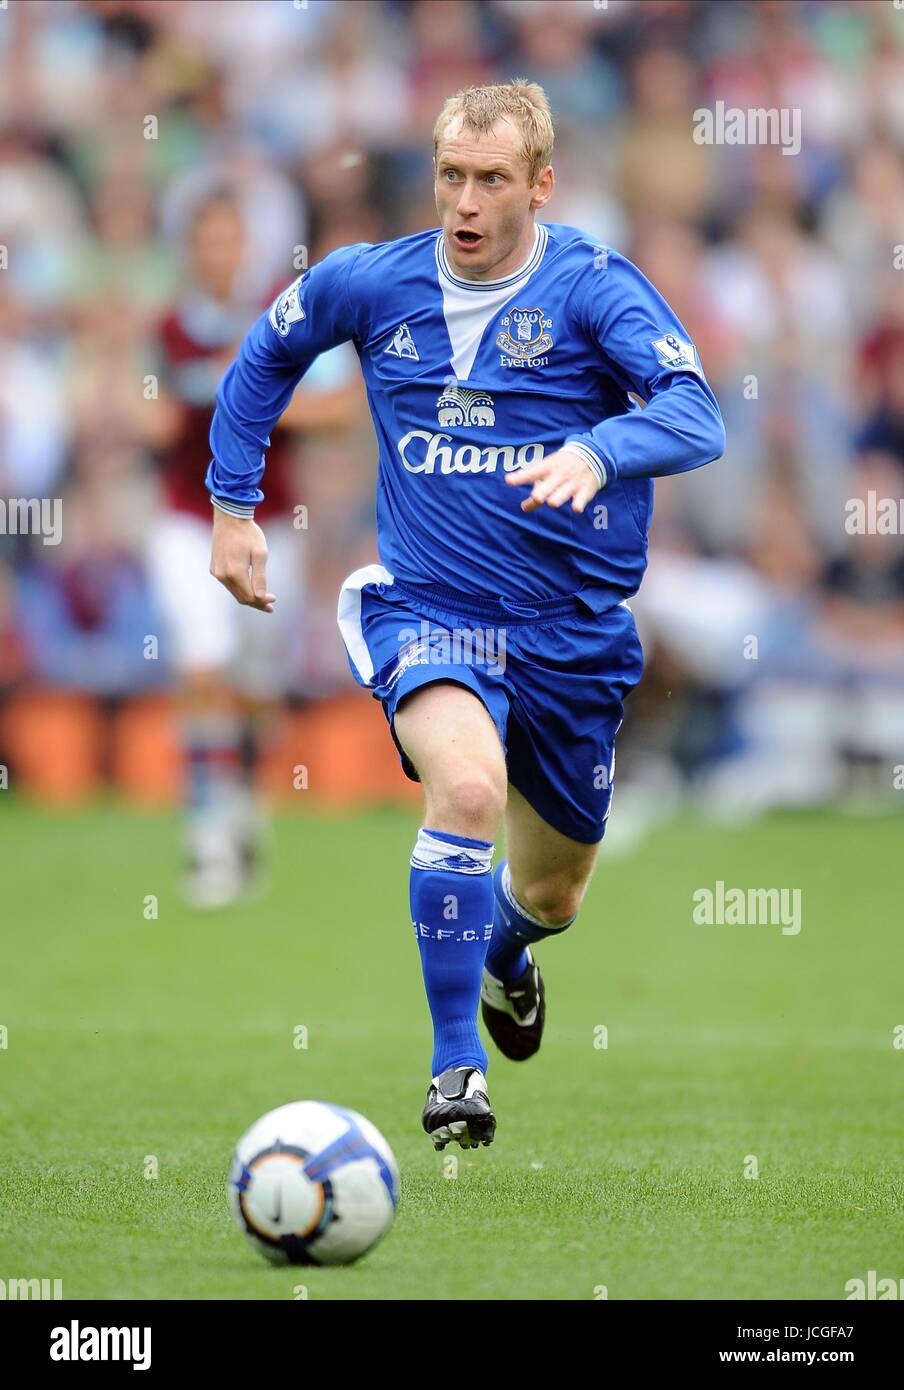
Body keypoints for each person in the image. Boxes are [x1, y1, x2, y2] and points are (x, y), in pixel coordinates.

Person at [205, 82, 725, 1147]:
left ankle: (504, 956)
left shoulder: (592, 289)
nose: (467, 201)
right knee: (469, 785)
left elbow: (695, 412)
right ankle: (455, 1070)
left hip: (573, 632)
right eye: (451, 175)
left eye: (493, 179)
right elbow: (265, 356)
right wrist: (231, 504)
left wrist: (596, 448)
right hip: (433, 612)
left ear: (539, 184)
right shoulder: (367, 282)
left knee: (553, 890)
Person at [146, 189, 359, 907]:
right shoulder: (172, 326)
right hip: (188, 519)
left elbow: (337, 407)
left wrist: (251, 395)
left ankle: (243, 809)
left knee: (255, 688)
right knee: (201, 667)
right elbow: (146, 416)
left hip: (271, 526)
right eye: (205, 240)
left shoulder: (283, 319)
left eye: (229, 239)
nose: (218, 254)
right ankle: (208, 839)